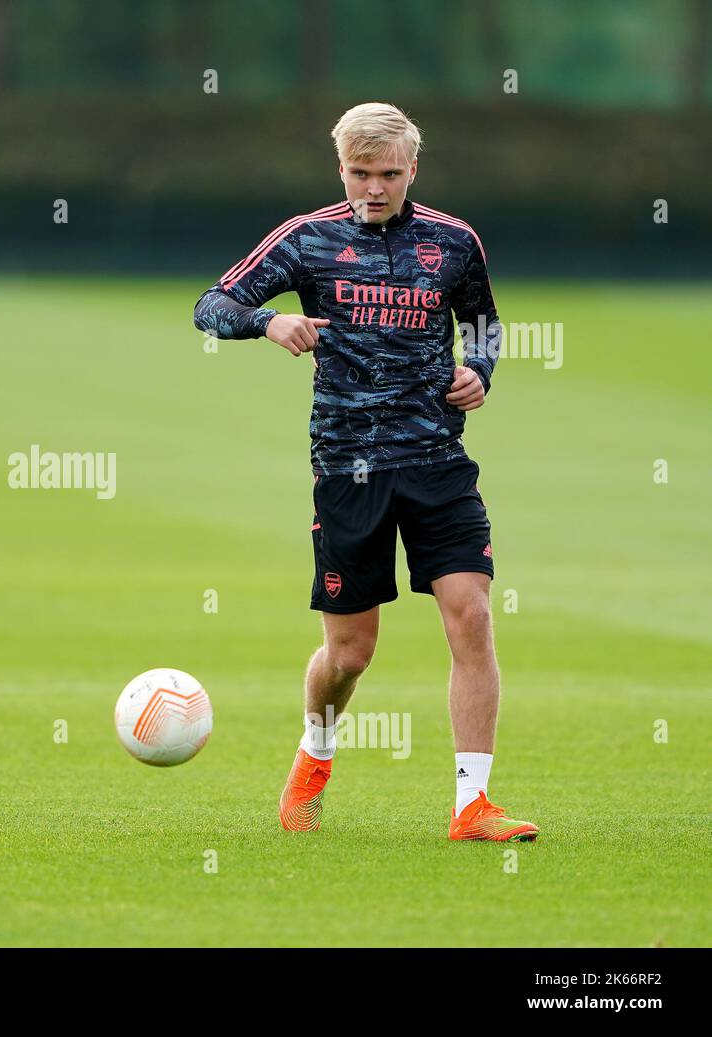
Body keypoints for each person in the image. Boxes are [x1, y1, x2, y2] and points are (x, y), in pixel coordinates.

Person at [192, 102, 537, 842]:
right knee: (350, 654)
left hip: (440, 461)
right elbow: (211, 305)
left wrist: (478, 368)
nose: (373, 188)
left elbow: (481, 319)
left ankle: (472, 806)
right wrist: (268, 321)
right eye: (358, 173)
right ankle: (315, 756)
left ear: (414, 168)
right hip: (349, 466)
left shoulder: (453, 242)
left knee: (472, 616)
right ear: (340, 167)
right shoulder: (308, 239)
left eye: (388, 174)